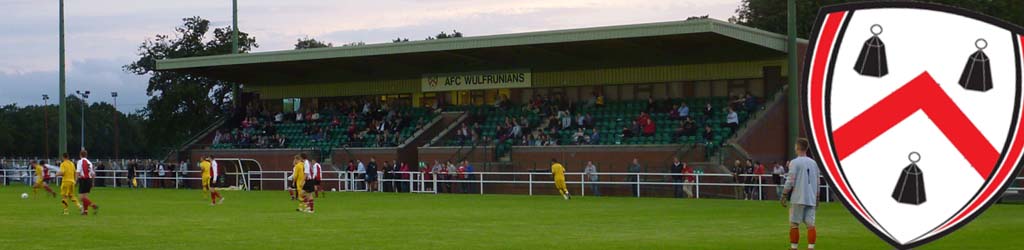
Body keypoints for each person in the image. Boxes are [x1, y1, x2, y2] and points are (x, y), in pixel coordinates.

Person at [783, 138, 820, 250]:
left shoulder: (794, 162)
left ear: (797, 147)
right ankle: (811, 247)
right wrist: (817, 197)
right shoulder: (814, 163)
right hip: (811, 198)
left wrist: (784, 194)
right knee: (811, 225)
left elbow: (790, 179)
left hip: (798, 197)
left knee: (794, 224)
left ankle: (794, 247)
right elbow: (818, 181)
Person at [76, 149, 100, 215]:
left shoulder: (80, 161)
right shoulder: (89, 162)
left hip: (83, 180)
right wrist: (93, 183)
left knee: (81, 198)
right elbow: (93, 174)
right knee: (85, 197)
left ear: (80, 155)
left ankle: (93, 205)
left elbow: (78, 172)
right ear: (86, 155)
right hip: (89, 180)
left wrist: (76, 180)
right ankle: (85, 212)